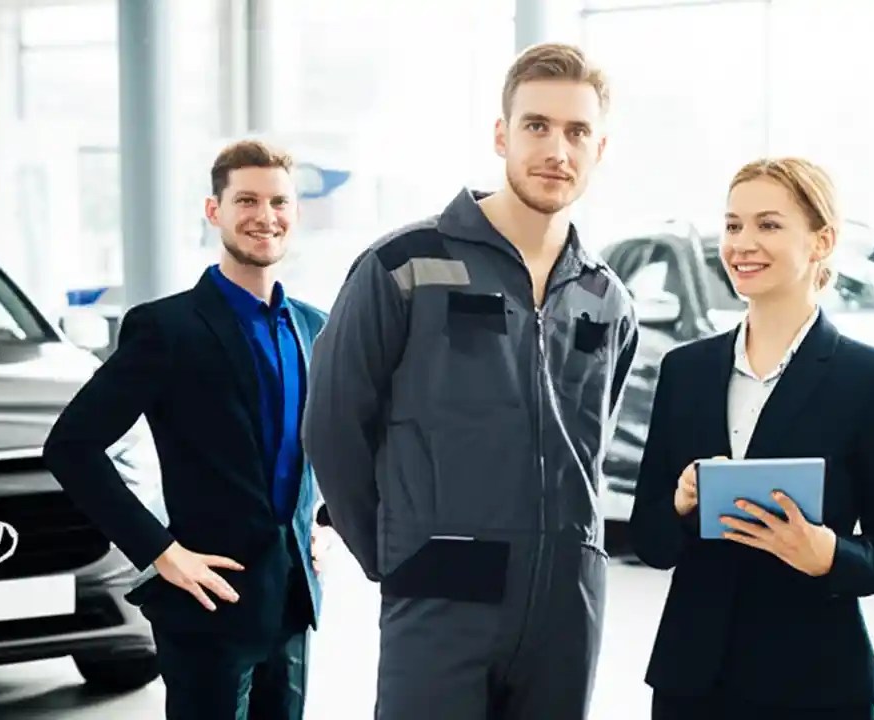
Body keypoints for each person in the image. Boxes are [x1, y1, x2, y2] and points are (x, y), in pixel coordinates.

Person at [302, 42, 638, 720]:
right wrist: (398, 557)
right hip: (440, 599)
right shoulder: (403, 265)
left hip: (566, 603)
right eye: (536, 126)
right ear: (500, 135)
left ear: (601, 148)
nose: (557, 149)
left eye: (577, 132)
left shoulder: (607, 298)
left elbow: (591, 454)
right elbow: (333, 427)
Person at [42, 139, 332, 719]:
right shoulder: (166, 328)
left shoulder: (315, 326)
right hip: (204, 605)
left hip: (294, 602)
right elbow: (71, 447)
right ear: (214, 210)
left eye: (278, 202)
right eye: (245, 199)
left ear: (295, 214)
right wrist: (160, 552)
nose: (264, 216)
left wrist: (323, 521)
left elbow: (327, 442)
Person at [629, 157, 874, 720]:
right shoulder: (685, 370)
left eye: (768, 224)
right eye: (734, 225)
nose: (742, 242)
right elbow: (649, 540)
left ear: (822, 241)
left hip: (816, 680)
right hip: (692, 678)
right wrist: (679, 503)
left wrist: (829, 554)